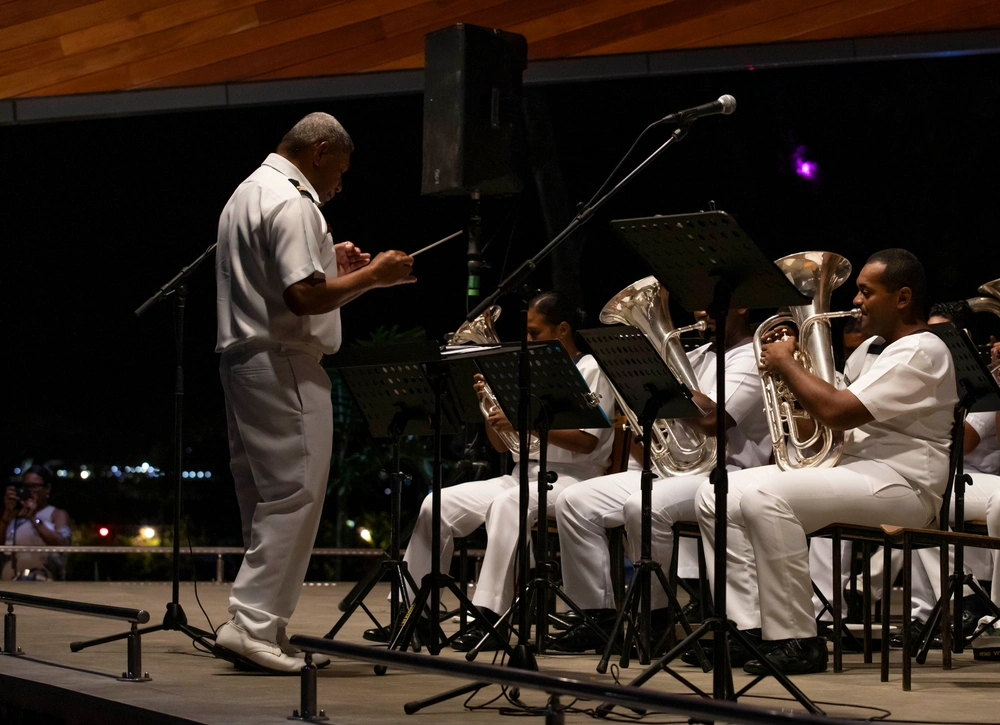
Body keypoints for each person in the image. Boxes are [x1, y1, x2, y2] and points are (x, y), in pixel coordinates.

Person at [213, 112, 416, 673]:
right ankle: (252, 626)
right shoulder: (294, 200)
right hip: (282, 362)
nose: (339, 186)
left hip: (244, 359)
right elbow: (303, 299)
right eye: (341, 171)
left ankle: (262, 625)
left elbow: (291, 288)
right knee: (295, 493)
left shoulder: (247, 191)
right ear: (321, 151)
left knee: (264, 496)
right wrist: (374, 275)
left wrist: (334, 268)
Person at [697, 248, 957, 675]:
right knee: (715, 495)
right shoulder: (872, 349)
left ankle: (798, 639)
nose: (855, 301)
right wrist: (791, 380)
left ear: (903, 298)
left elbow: (838, 411)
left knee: (766, 496)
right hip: (856, 469)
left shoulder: (923, 350)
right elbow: (822, 422)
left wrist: (785, 363)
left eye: (865, 292)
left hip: (905, 484)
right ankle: (750, 628)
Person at [391, 291, 615, 651]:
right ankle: (416, 615)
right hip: (521, 473)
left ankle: (489, 618)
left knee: (510, 504)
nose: (527, 342)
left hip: (574, 481)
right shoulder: (529, 374)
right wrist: (491, 409)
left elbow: (587, 442)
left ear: (562, 329)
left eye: (535, 333)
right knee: (438, 505)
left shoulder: (591, 369)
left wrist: (523, 422)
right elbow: (501, 447)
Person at [551, 305, 769, 653]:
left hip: (726, 473)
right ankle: (596, 617)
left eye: (708, 302)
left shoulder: (752, 358)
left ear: (741, 307)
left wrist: (666, 383)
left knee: (644, 505)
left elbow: (713, 422)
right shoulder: (694, 356)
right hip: (677, 470)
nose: (701, 312)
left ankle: (654, 620)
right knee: (574, 502)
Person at [2, 464, 71, 581]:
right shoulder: (14, 516)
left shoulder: (56, 514)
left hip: (43, 578)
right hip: (12, 579)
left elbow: (62, 543)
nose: (29, 491)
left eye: (34, 486)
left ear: (47, 488)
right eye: (25, 486)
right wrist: (6, 513)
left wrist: (34, 518)